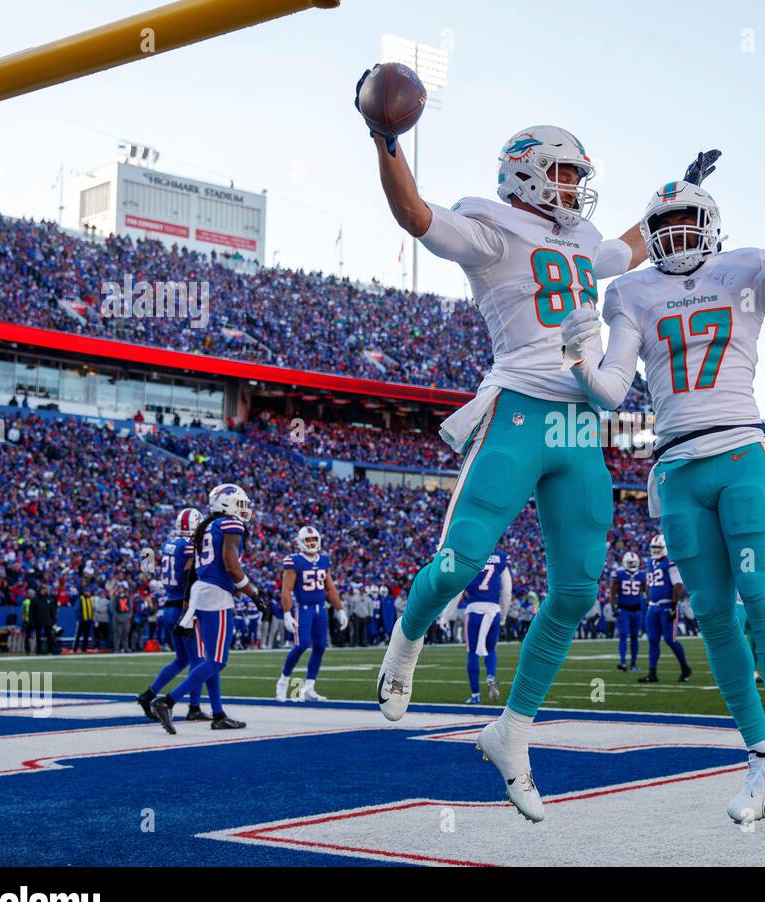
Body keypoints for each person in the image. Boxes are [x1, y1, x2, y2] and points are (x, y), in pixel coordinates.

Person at [361, 74, 714, 822]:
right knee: (457, 561)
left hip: (581, 423)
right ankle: (404, 644)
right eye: (565, 173)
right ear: (526, 170)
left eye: (578, 176)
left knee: (578, 590)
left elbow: (629, 244)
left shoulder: (582, 238)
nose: (575, 187)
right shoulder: (488, 226)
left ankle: (511, 729)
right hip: (520, 408)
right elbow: (414, 214)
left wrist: (679, 190)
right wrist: (387, 139)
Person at [559, 94, 765, 823]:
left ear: (711, 225)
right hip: (674, 466)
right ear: (652, 234)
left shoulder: (744, 270)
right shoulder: (633, 292)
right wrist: (579, 359)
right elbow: (613, 390)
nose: (677, 236)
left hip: (738, 450)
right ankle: (759, 758)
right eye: (665, 226)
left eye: (688, 221)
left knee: (761, 601)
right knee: (711, 613)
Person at [152, 484, 270, 732]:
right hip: (216, 596)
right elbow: (231, 564)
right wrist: (254, 594)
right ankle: (168, 700)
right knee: (217, 661)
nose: (243, 510)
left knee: (209, 659)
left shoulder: (206, 527)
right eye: (239, 504)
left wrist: (188, 609)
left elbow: (197, 572)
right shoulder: (230, 525)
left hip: (201, 592)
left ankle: (218, 714)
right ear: (224, 504)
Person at [136, 508, 210, 722]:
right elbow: (190, 577)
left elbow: (153, 566)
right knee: (197, 661)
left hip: (168, 606)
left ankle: (148, 694)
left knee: (182, 659)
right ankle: (194, 708)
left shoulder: (169, 544)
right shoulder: (190, 547)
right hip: (182, 607)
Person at [276, 526, 348, 703]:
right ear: (301, 542)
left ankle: (309, 687)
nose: (312, 543)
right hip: (304, 608)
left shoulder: (324, 560)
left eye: (314, 539)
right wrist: (287, 613)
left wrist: (339, 609)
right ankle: (283, 681)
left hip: (320, 608)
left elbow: (330, 588)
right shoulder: (294, 561)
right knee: (302, 645)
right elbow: (287, 589)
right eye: (308, 540)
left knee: (321, 646)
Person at [462, 549, 512, 704]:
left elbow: (458, 589)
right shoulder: (500, 558)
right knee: (491, 650)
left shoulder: (469, 554)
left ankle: (475, 694)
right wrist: (503, 614)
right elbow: (507, 592)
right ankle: (490, 675)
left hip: (474, 609)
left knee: (472, 652)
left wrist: (445, 615)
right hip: (494, 610)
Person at [639, 534, 691, 683]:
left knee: (670, 639)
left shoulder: (670, 562)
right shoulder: (650, 562)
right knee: (653, 640)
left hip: (667, 606)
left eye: (658, 548)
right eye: (653, 547)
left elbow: (678, 585)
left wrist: (674, 606)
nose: (655, 550)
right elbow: (648, 584)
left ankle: (685, 668)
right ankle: (652, 673)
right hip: (653, 607)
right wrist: (648, 599)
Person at [610, 551, 645, 672]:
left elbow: (646, 591)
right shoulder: (618, 574)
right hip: (623, 610)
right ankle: (623, 662)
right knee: (623, 635)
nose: (632, 564)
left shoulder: (642, 575)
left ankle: (633, 664)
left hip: (636, 611)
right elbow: (613, 592)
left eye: (634, 563)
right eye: (630, 563)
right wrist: (613, 607)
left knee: (635, 637)